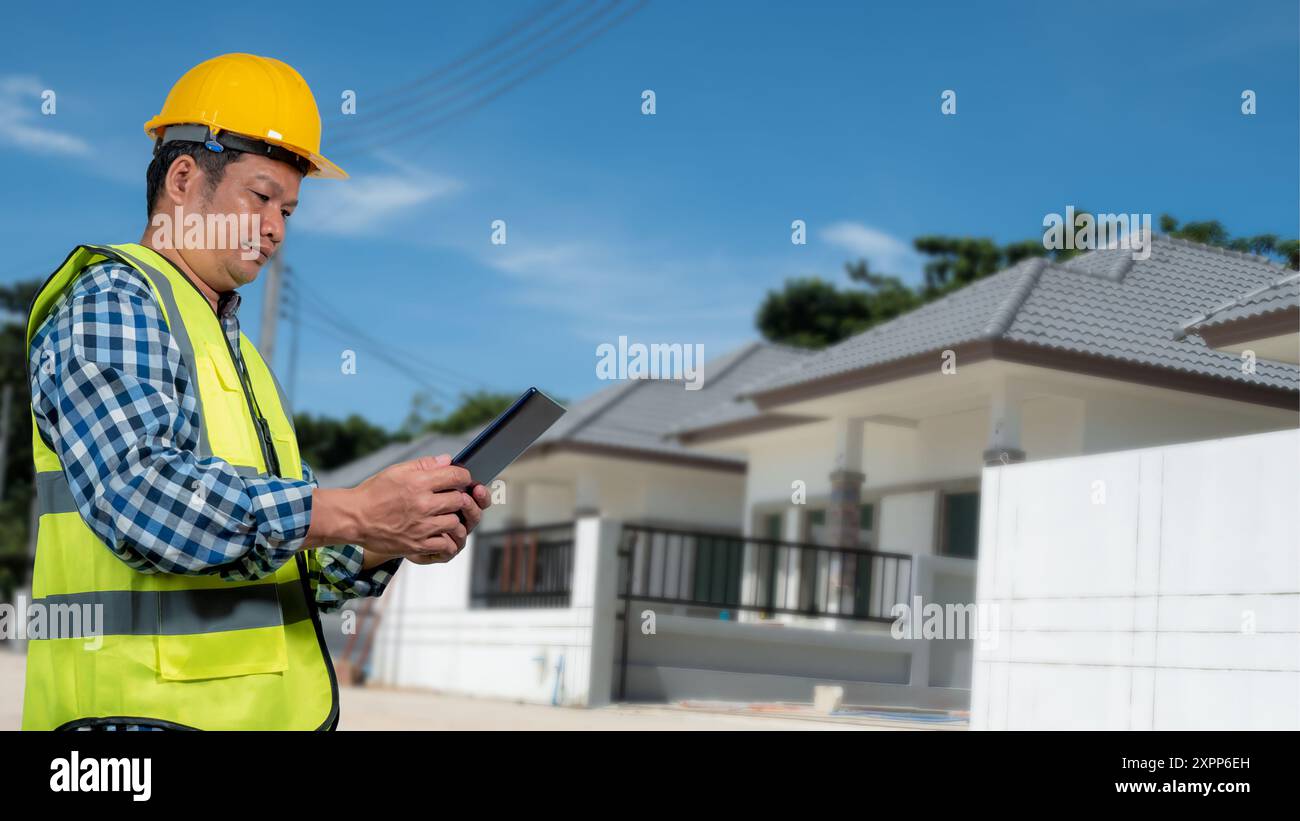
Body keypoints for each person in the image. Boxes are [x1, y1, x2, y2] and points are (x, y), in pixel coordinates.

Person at [21, 53, 489, 731]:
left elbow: (300, 566)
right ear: (184, 179)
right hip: (129, 728)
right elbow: (139, 497)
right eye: (261, 196)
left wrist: (393, 530)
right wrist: (353, 512)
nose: (275, 228)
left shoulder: (234, 354)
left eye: (289, 210)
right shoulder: (114, 300)